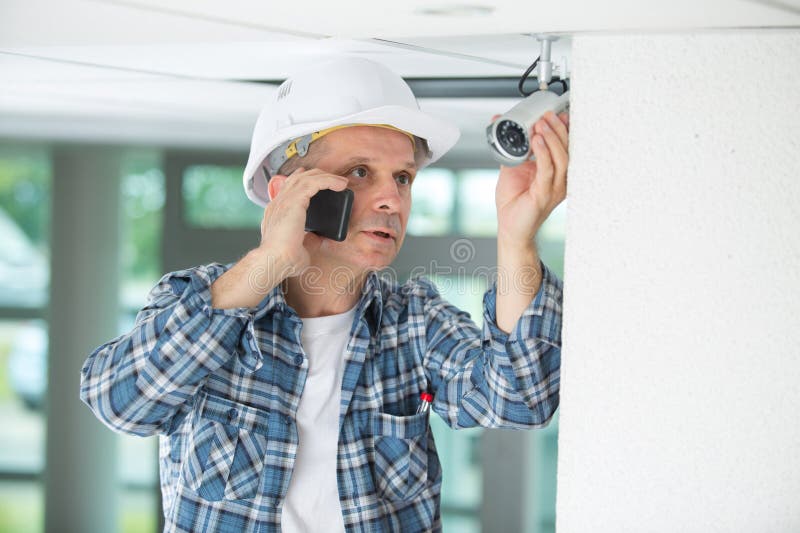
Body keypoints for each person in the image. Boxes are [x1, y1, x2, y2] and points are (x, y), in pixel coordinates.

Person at [80, 57, 568, 533]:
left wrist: (515, 237)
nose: (391, 199)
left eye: (402, 177)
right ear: (287, 192)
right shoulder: (200, 303)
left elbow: (520, 398)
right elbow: (119, 403)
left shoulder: (414, 323)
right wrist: (270, 260)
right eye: (360, 172)